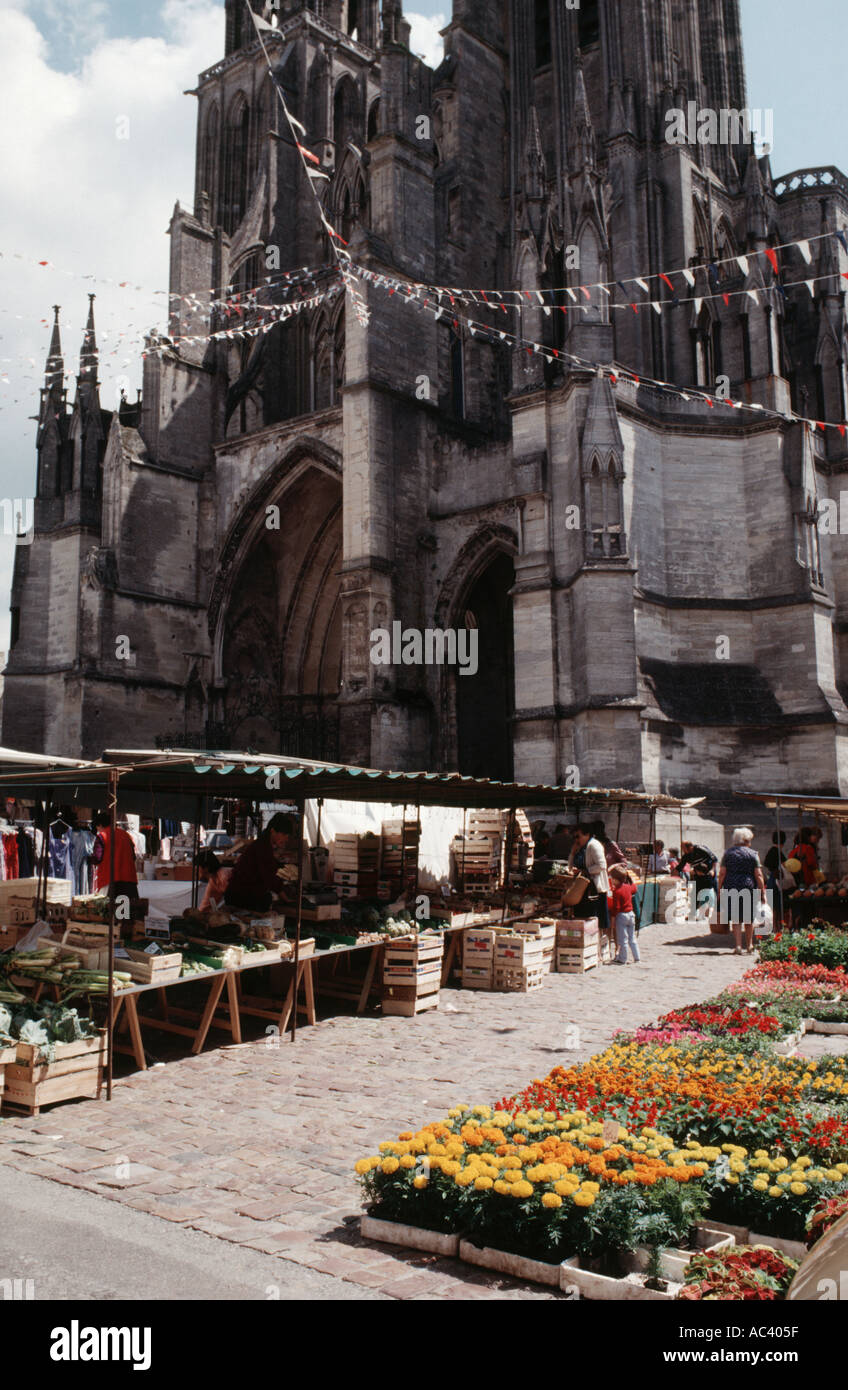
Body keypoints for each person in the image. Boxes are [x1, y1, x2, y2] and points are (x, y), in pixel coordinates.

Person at [225, 812, 300, 911]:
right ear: (273, 831)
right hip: (241, 896)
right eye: (284, 834)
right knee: (265, 900)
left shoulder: (264, 845)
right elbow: (269, 876)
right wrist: (284, 897)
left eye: (288, 835)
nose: (286, 838)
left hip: (241, 894)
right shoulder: (262, 847)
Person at [718, 827, 766, 955]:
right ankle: (749, 945)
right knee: (748, 918)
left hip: (731, 886)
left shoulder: (727, 854)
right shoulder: (753, 854)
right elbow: (758, 874)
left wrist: (719, 889)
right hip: (748, 886)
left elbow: (722, 873)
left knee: (736, 918)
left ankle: (738, 946)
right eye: (749, 840)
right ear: (745, 840)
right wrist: (763, 891)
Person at [568, 822, 611, 958]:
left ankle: (599, 950)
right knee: (585, 919)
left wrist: (585, 871)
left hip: (594, 889)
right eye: (574, 837)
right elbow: (571, 866)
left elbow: (602, 865)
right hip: (582, 888)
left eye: (578, 836)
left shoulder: (594, 845)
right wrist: (572, 853)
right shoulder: (580, 847)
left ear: (587, 835)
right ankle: (589, 949)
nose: (576, 839)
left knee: (596, 920)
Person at [91, 811, 140, 900]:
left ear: (100, 825)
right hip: (129, 879)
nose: (97, 830)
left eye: (97, 827)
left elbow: (97, 858)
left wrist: (90, 859)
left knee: (108, 909)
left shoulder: (102, 836)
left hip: (109, 879)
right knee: (128, 910)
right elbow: (133, 856)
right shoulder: (126, 835)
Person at [678, 840, 718, 918]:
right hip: (698, 875)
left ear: (689, 847)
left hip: (708, 874)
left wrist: (712, 870)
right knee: (695, 893)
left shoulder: (701, 849)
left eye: (683, 848)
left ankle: (715, 911)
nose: (682, 850)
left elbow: (714, 859)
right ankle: (692, 913)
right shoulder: (686, 856)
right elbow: (679, 867)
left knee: (712, 892)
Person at [609, 864, 640, 965]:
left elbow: (616, 908)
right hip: (631, 914)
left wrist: (613, 919)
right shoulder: (628, 887)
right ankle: (637, 957)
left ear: (616, 879)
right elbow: (634, 888)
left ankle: (622, 958)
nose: (611, 880)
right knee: (632, 938)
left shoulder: (616, 891)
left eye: (612, 878)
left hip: (621, 916)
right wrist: (631, 879)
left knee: (623, 939)